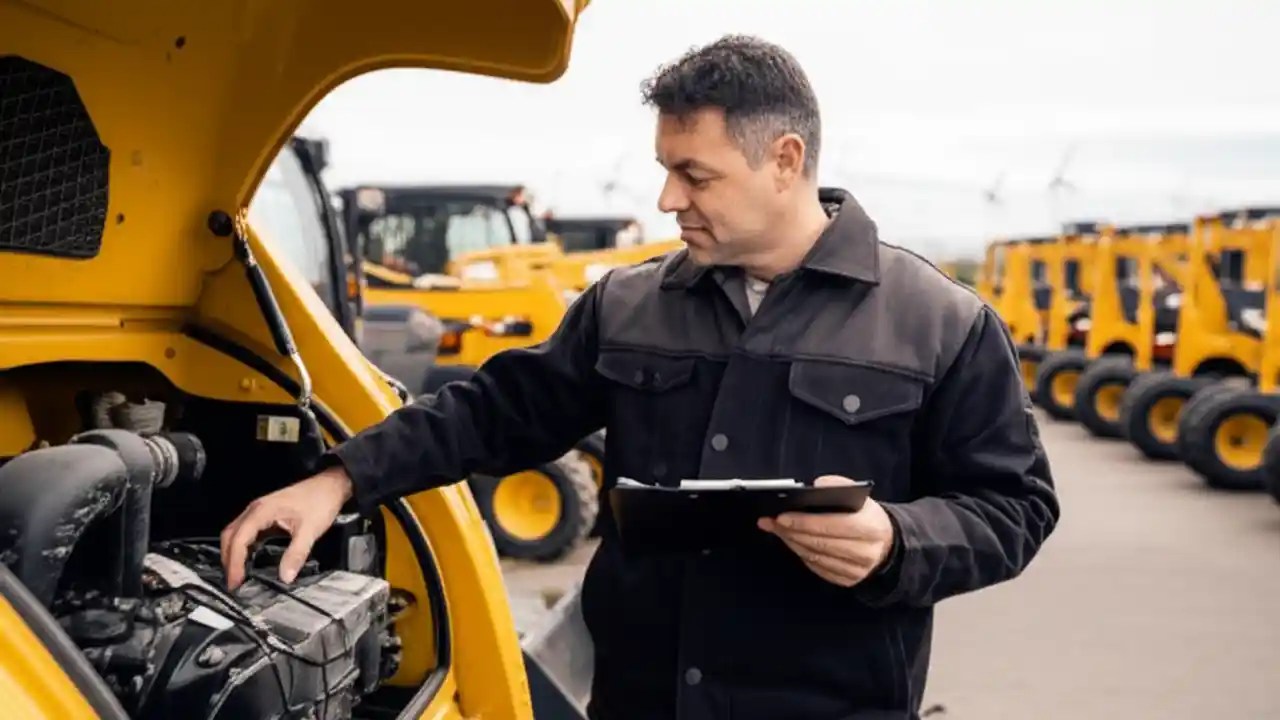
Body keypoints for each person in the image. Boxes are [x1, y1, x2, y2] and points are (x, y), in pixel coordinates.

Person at [221, 34, 1060, 720]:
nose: (667, 198)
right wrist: (340, 477)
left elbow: (1016, 506)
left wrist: (897, 540)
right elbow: (493, 413)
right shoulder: (625, 306)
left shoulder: (940, 321)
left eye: (695, 174)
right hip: (639, 702)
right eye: (665, 167)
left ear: (785, 159)